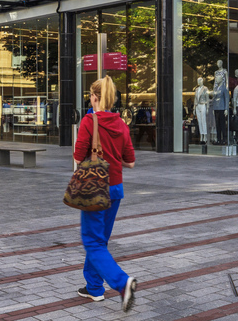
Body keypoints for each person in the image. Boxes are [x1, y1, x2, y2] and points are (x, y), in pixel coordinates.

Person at [73, 76, 138, 312]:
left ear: (94, 97)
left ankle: (122, 283)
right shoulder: (121, 124)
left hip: (95, 189)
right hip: (116, 189)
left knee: (92, 241)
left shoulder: (89, 121)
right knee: (100, 240)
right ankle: (94, 288)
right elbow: (130, 162)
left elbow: (78, 156)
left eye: (91, 95)